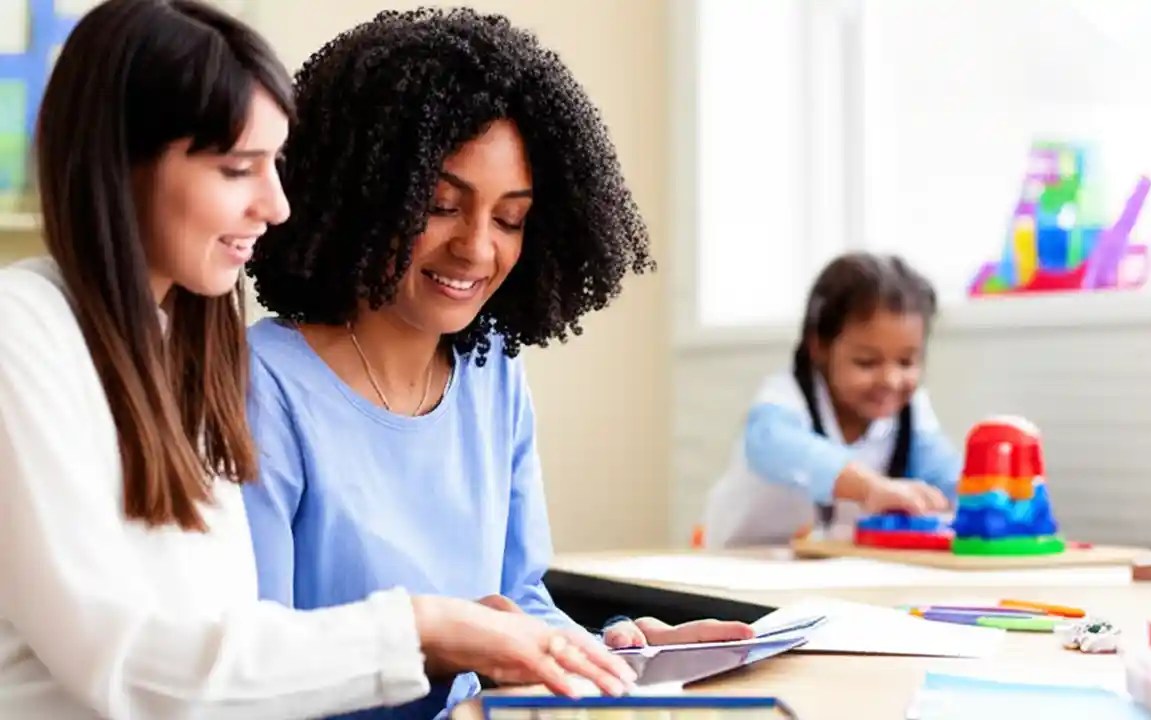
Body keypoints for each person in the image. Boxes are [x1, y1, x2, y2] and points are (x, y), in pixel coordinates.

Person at [0, 2, 635, 718]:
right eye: (240, 168)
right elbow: (130, 661)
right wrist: (423, 631)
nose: (276, 205)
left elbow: (233, 648)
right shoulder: (22, 334)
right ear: (121, 163)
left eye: (275, 166)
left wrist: (613, 656)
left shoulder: (183, 345)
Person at [240, 8, 753, 719]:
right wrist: (437, 646)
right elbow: (250, 664)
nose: (478, 249)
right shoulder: (260, 386)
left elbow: (522, 600)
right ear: (363, 193)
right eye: (443, 206)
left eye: (510, 219)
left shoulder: (493, 372)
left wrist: (616, 655)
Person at [701, 252, 961, 549]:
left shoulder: (912, 412)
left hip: (821, 566)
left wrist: (986, 495)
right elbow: (771, 445)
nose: (890, 380)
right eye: (866, 362)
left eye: (906, 362)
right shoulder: (786, 397)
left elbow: (944, 470)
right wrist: (870, 488)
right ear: (819, 347)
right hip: (741, 560)